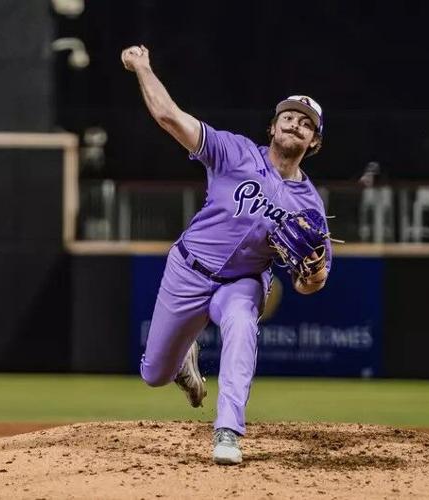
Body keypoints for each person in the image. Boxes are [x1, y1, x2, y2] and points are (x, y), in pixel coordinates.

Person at [121, 45, 332, 464]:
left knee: (241, 325)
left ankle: (228, 432)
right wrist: (143, 67)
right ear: (272, 127)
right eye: (288, 117)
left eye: (305, 123)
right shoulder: (233, 152)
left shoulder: (311, 207)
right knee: (153, 375)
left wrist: (313, 271)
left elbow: (313, 284)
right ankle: (183, 360)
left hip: (242, 282)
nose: (295, 124)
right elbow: (169, 117)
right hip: (188, 269)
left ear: (314, 141)